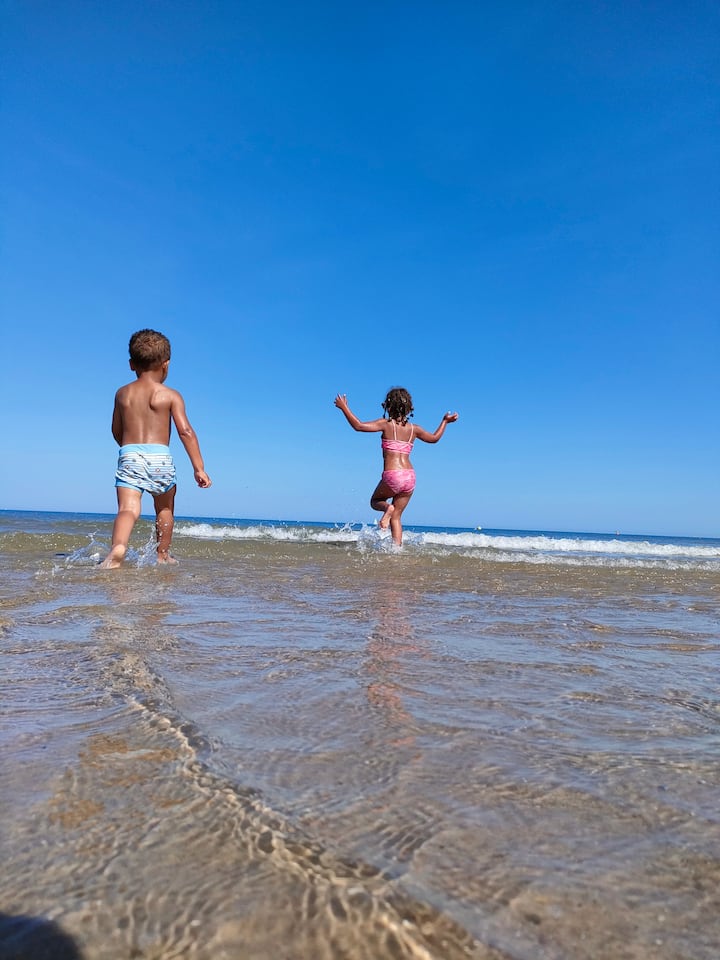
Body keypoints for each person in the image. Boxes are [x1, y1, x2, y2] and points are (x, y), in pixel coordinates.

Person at [101, 329, 211, 568]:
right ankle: (162, 555)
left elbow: (115, 429)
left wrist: (129, 448)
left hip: (130, 454)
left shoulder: (122, 394)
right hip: (161, 457)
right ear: (166, 364)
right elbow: (186, 432)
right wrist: (199, 468)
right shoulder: (170, 395)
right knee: (164, 508)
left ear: (131, 364)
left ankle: (118, 548)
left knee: (128, 509)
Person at [334, 387, 458, 546]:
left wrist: (344, 407)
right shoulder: (414, 429)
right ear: (409, 408)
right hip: (410, 477)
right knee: (397, 517)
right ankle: (396, 550)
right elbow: (434, 438)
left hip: (393, 474)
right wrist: (445, 421)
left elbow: (358, 426)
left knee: (375, 501)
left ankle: (387, 509)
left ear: (387, 406)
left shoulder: (386, 424)